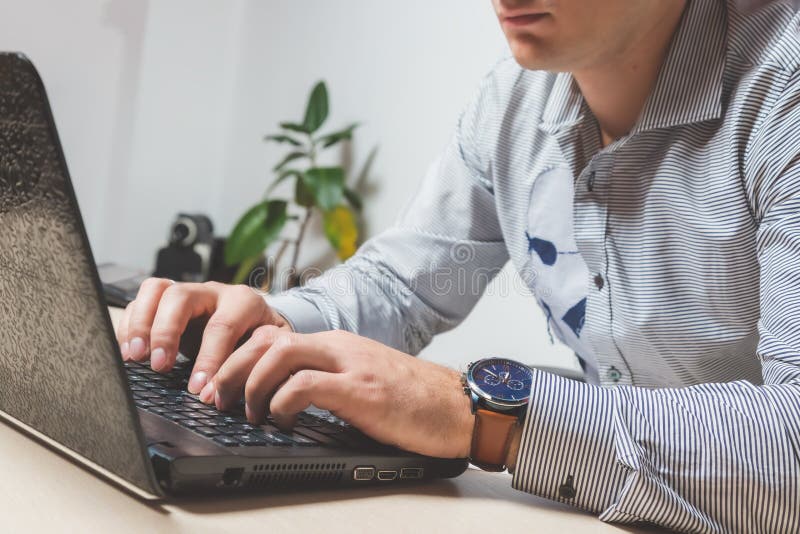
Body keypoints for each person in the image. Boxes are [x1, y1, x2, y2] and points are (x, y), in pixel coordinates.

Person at [115, 0, 800, 531]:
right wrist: (272, 324)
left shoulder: (785, 89)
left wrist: (485, 416)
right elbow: (401, 287)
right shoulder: (514, 102)